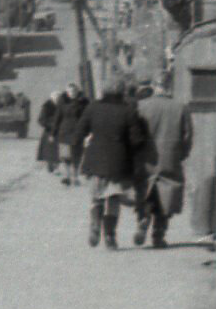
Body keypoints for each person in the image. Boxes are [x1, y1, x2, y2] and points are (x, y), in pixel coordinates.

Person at [78, 79, 148, 249]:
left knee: (97, 196)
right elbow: (136, 139)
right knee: (114, 199)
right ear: (122, 92)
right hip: (119, 161)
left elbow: (80, 131)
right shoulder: (128, 110)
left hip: (95, 160)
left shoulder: (93, 107)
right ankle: (110, 236)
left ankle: (95, 223)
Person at [135, 77, 193, 249]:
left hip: (146, 158)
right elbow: (187, 135)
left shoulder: (141, 106)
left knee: (146, 190)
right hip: (170, 156)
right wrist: (182, 154)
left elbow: (133, 131)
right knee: (167, 196)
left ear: (154, 86)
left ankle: (144, 217)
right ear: (170, 87)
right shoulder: (180, 107)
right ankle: (158, 235)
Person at [56, 85, 88, 186]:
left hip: (77, 132)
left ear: (77, 91)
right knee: (65, 156)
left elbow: (87, 117)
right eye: (70, 91)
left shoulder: (84, 101)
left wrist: (88, 131)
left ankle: (75, 177)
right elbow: (58, 116)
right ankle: (67, 176)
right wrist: (53, 132)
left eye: (74, 91)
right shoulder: (62, 101)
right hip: (64, 131)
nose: (72, 93)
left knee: (76, 156)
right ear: (67, 92)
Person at [36, 91, 61, 173]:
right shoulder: (46, 106)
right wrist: (51, 124)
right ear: (51, 98)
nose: (57, 99)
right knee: (50, 150)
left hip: (60, 131)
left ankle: (56, 167)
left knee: (58, 150)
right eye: (55, 97)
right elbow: (41, 120)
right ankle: (51, 165)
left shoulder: (62, 105)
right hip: (49, 131)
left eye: (58, 97)